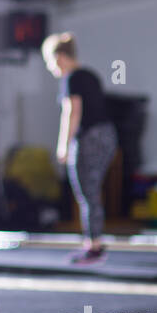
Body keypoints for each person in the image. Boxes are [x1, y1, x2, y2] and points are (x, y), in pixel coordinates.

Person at [42, 32, 117, 265]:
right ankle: (93, 243)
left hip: (91, 138)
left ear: (59, 57)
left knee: (87, 193)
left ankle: (94, 246)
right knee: (92, 192)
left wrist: (63, 145)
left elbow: (72, 112)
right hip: (107, 135)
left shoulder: (71, 79)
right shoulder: (90, 75)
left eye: (50, 62)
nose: (51, 68)